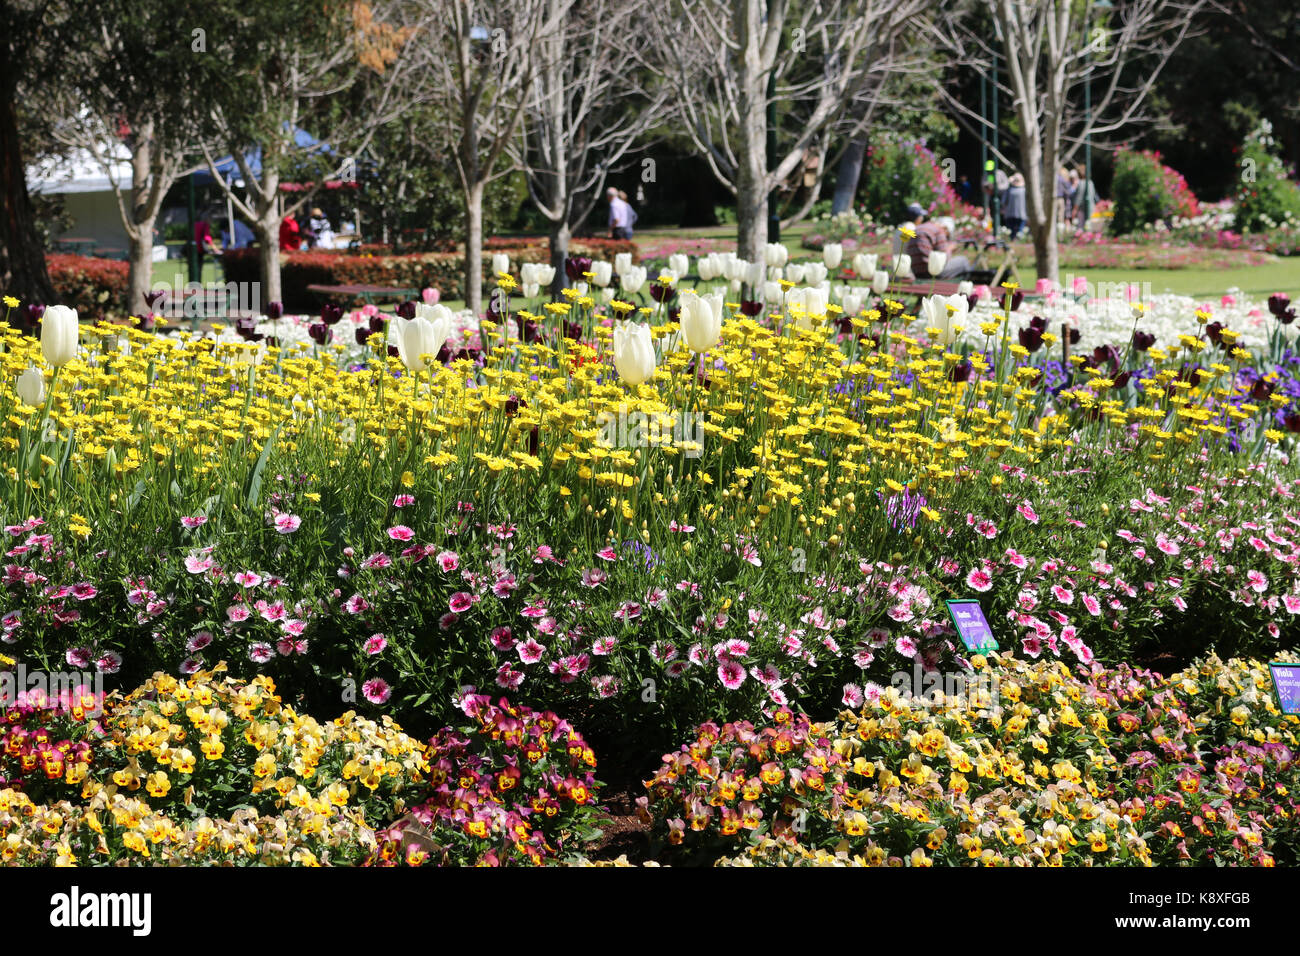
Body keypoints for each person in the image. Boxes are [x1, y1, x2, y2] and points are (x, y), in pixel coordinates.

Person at [904, 208, 970, 279]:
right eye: (947, 235)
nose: (946, 238)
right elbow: (943, 259)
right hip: (931, 273)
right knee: (963, 260)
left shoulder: (917, 228)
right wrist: (950, 249)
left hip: (916, 272)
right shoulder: (939, 230)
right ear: (945, 228)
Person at [1003, 172, 1027, 239]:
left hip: (1012, 213)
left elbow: (1004, 201)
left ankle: (1015, 240)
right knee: (1018, 231)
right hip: (1020, 213)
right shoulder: (1023, 190)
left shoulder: (1009, 190)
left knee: (1013, 231)